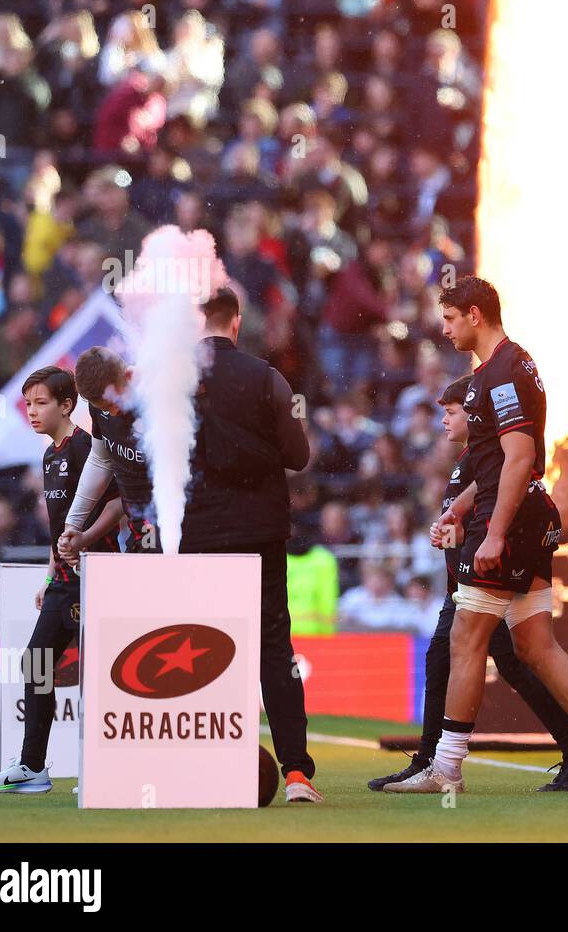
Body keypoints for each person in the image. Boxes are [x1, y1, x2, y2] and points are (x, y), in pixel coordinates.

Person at [385, 276, 568, 793]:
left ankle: (446, 768)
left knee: (465, 637)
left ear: (475, 315)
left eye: (451, 320)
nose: (446, 330)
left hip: (512, 519)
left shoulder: (501, 373)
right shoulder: (497, 371)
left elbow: (519, 458)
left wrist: (494, 534)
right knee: (536, 647)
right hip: (525, 514)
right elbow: (498, 460)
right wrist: (459, 504)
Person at [368, 375, 568, 792]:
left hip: (484, 578)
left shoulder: (487, 458)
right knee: (497, 662)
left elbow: (497, 513)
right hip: (465, 579)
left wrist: (469, 543)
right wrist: (446, 531)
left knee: (498, 660)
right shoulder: (474, 459)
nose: (445, 421)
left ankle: (438, 763)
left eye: (453, 412)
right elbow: (470, 518)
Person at [176, 286, 321, 803]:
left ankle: (200, 767)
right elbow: (298, 455)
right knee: (273, 650)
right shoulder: (267, 377)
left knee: (198, 648)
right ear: (236, 323)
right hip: (259, 532)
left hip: (197, 534)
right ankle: (298, 775)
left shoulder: (173, 378)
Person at [0, 366, 123, 794]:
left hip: (96, 577)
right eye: (27, 404)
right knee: (37, 663)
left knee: (100, 673)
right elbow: (60, 526)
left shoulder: (84, 448)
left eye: (41, 403)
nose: (32, 412)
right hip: (63, 581)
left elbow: (115, 509)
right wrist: (48, 574)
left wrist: (86, 541)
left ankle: (103, 769)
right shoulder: (49, 454)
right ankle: (32, 768)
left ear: (67, 404)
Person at [59, 347, 156, 555]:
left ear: (129, 376)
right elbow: (101, 459)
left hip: (178, 524)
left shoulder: (161, 404)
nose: (113, 412)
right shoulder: (100, 404)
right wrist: (73, 523)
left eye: (114, 402)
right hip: (137, 527)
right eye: (104, 407)